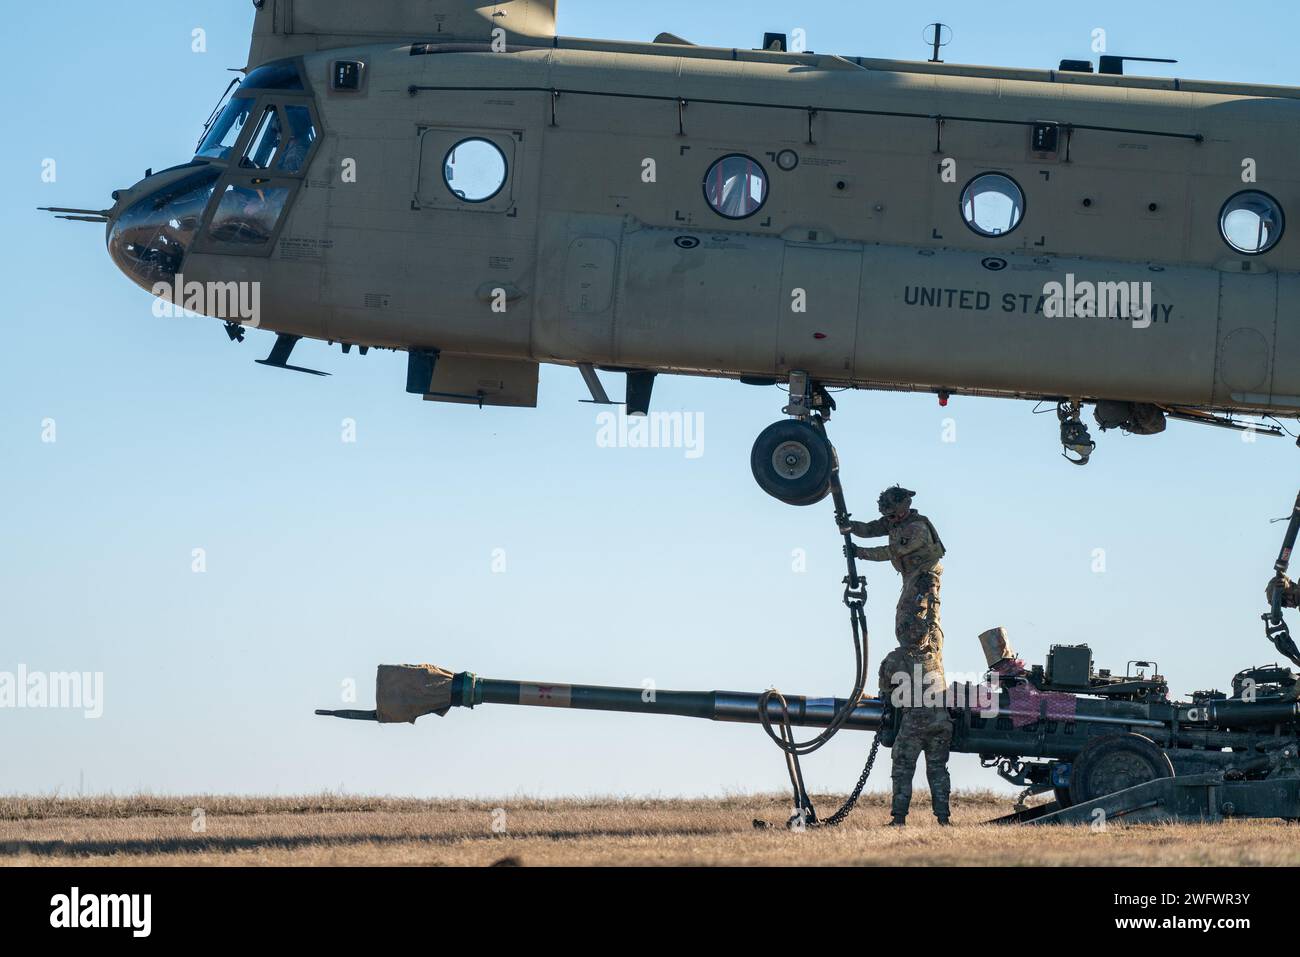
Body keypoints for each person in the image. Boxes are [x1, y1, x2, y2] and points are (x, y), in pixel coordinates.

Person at [843, 486, 951, 825]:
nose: (891, 518)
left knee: (904, 766)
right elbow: (876, 528)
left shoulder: (916, 530)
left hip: (922, 583)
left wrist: (856, 551)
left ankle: (901, 818)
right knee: (937, 768)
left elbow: (889, 550)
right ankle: (942, 819)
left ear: (905, 506)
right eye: (888, 514)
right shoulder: (894, 522)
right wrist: (851, 526)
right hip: (938, 719)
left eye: (895, 512)